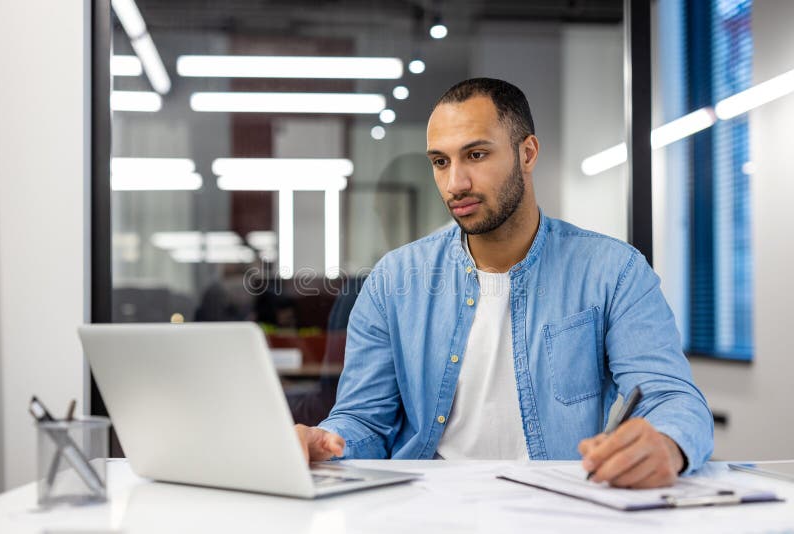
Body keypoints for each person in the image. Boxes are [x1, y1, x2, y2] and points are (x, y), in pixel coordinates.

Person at [295, 78, 713, 489]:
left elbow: (672, 398)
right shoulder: (394, 280)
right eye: (440, 162)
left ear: (527, 153)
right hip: (426, 509)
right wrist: (327, 443)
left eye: (475, 154)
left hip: (560, 507)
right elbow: (365, 420)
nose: (455, 183)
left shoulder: (612, 271)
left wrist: (667, 443)